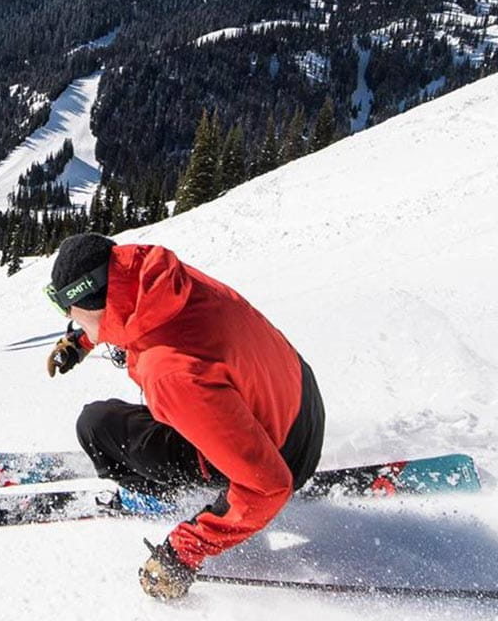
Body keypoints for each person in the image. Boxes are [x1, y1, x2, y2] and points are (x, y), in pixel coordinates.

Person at [43, 232, 325, 600]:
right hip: (298, 401)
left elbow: (268, 485)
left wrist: (181, 552)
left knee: (97, 427)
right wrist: (82, 342)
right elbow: (126, 308)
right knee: (174, 403)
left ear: (89, 303)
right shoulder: (161, 279)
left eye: (64, 307)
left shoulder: (170, 373)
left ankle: (163, 492)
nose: (67, 318)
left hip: (279, 461)